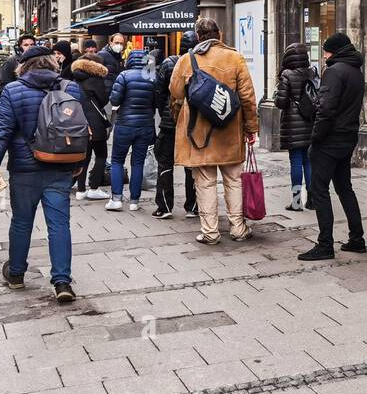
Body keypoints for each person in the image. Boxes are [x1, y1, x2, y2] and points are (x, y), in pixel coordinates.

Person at [0, 46, 83, 304]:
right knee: (59, 225)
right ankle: (62, 282)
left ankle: (15, 274)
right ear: (52, 63)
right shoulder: (69, 88)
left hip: (25, 169)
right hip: (59, 166)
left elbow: (1, 131)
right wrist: (79, 162)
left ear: (22, 66)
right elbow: (83, 128)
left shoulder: (13, 91)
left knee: (22, 222)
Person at [170, 18, 258, 244]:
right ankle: (238, 228)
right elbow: (248, 97)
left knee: (205, 182)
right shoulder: (235, 57)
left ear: (198, 36)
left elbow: (176, 92)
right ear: (220, 33)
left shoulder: (187, 60)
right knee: (234, 180)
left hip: (199, 133)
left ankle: (210, 232)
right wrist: (251, 128)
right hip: (230, 129)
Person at [297, 32, 366, 261]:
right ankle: (357, 239)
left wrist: (316, 137)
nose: (324, 54)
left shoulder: (334, 71)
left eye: (326, 50)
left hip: (329, 140)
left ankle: (325, 244)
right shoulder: (355, 70)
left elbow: (326, 109)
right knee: (345, 188)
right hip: (347, 137)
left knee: (319, 190)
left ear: (333, 51)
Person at [154, 30, 198, 218]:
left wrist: (163, 111)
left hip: (170, 121)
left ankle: (164, 206)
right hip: (193, 121)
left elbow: (159, 92)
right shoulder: (200, 64)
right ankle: (193, 206)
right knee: (192, 165)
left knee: (165, 163)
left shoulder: (169, 63)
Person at [107, 48, 157, 211]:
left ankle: (116, 199)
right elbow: (156, 102)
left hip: (124, 124)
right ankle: (134, 201)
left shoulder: (124, 76)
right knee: (138, 162)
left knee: (117, 161)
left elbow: (115, 100)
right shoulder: (151, 77)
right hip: (145, 126)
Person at [275, 40, 319, 213]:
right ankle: (313, 199)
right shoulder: (311, 73)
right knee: (308, 161)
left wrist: (277, 93)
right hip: (309, 122)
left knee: (295, 162)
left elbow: (281, 102)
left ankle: (296, 201)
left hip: (293, 126)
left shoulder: (287, 74)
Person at [71, 50, 111, 201]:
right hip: (95, 122)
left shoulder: (74, 78)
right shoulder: (96, 80)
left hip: (79, 122)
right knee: (101, 155)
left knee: (84, 157)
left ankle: (81, 190)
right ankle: (94, 188)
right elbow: (104, 100)